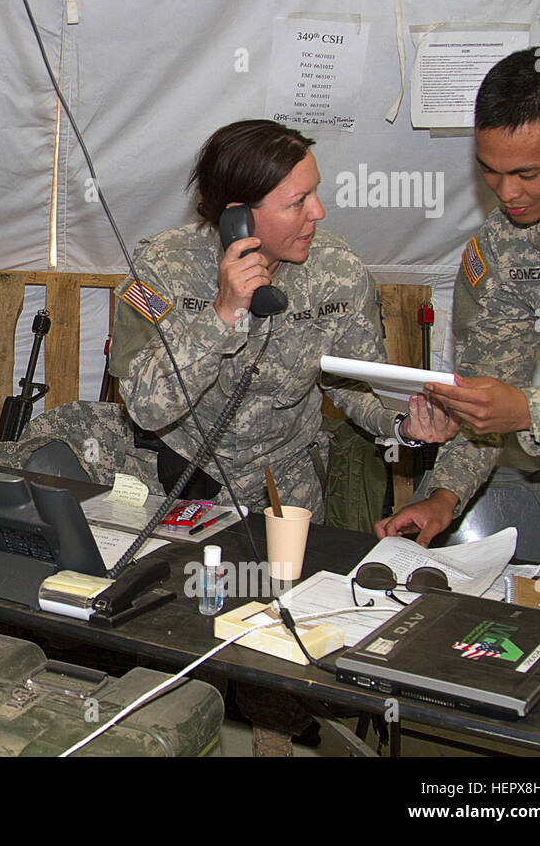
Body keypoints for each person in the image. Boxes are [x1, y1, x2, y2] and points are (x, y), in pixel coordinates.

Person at [109, 119, 457, 756]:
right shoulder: (157, 266)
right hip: (184, 486)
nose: (317, 212)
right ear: (240, 216)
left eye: (314, 193)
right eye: (298, 201)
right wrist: (221, 315)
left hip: (284, 495)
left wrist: (407, 424)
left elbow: (357, 390)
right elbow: (148, 405)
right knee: (177, 645)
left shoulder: (339, 271)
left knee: (281, 665)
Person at [376, 47, 540, 555]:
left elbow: (516, 407)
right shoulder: (502, 245)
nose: (505, 191)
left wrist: (528, 411)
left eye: (526, 173)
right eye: (489, 170)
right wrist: (444, 496)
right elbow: (486, 391)